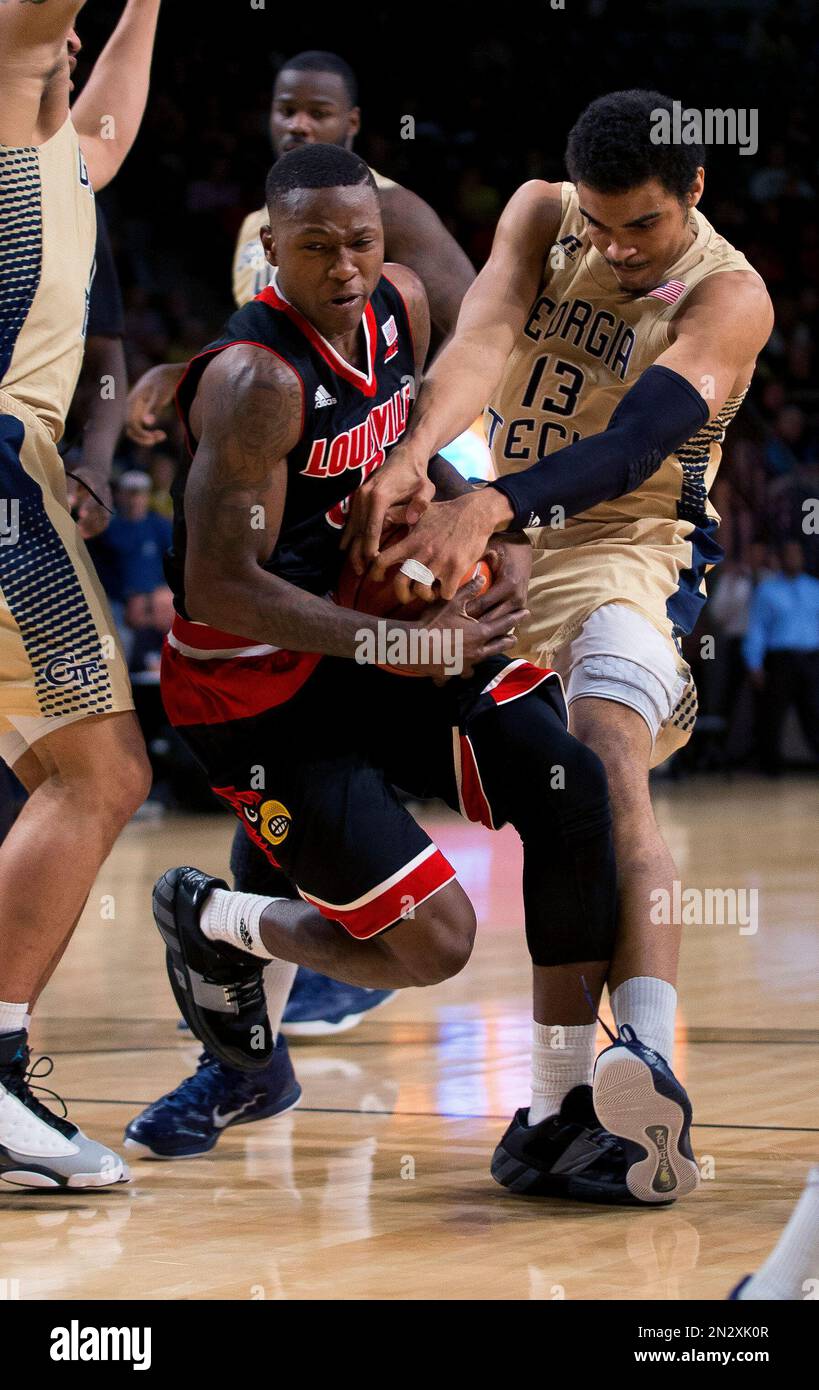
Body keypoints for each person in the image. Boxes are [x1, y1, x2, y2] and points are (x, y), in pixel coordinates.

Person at [127, 146, 670, 1210]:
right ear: (269, 251)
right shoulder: (254, 383)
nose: (344, 267)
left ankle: (557, 1111)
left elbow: (414, 453)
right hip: (259, 692)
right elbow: (218, 584)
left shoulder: (401, 310)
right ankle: (215, 921)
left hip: (379, 640)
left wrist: (485, 517)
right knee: (435, 945)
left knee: (571, 789)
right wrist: (398, 647)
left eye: (361, 243)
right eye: (316, 248)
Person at [343, 89, 774, 1198]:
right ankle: (545, 1101)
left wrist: (493, 508)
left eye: (643, 228)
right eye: (603, 224)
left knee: (601, 747)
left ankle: (649, 1065)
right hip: (503, 532)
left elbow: (635, 447)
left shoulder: (730, 297)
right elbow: (483, 337)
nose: (619, 249)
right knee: (513, 777)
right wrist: (416, 453)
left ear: (696, 189)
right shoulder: (544, 214)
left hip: (635, 550)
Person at [126, 49, 481, 1043]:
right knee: (342, 854)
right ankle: (259, 970)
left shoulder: (396, 248)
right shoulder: (263, 264)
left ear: (357, 125)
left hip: (365, 554)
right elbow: (269, 378)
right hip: (259, 636)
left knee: (543, 756)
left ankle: (284, 981)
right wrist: (189, 372)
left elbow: (475, 329)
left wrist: (466, 492)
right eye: (283, 109)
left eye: (317, 111)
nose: (296, 124)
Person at [0, 0, 162, 1189]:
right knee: (100, 770)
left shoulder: (63, 158)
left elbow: (106, 121)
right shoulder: (3, 118)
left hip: (25, 474)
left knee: (55, 775)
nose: (66, 45)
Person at [743, 539, 819, 774]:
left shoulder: (815, 588)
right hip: (781, 659)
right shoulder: (767, 590)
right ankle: (770, 766)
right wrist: (754, 663)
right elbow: (757, 628)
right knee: (772, 715)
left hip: (812, 658)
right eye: (788, 554)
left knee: (815, 713)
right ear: (780, 558)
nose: (793, 558)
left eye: (797, 554)